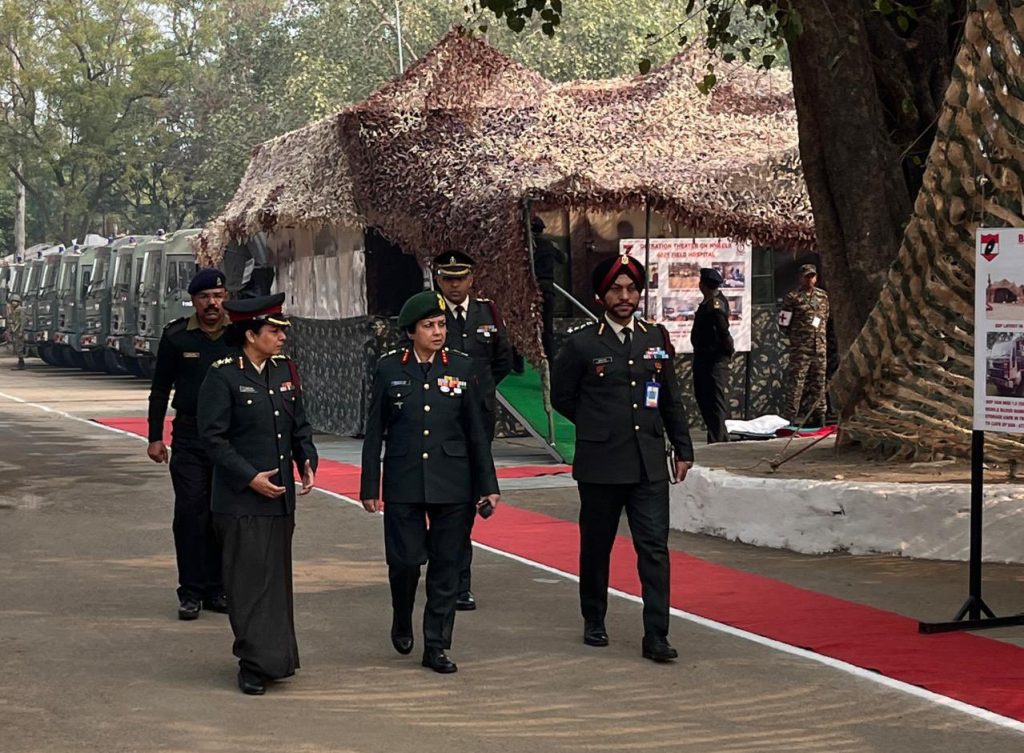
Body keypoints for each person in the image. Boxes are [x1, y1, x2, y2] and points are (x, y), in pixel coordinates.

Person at [552, 253, 694, 663]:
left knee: (654, 549)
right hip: (601, 464)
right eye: (616, 289)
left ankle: (656, 635)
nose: (625, 296)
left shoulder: (655, 337)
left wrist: (683, 449)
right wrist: (596, 424)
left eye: (632, 289)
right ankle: (594, 618)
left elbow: (670, 397)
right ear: (602, 295)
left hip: (647, 461)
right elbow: (562, 396)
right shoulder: (582, 343)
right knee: (597, 547)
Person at [360, 290, 500, 674]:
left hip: (453, 481)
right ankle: (402, 615)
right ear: (411, 331)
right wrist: (370, 484)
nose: (437, 332)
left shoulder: (462, 366)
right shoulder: (390, 369)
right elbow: (375, 431)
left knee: (446, 566)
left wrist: (488, 484)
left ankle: (436, 645)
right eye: (428, 326)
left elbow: (476, 433)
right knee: (405, 562)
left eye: (441, 325)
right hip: (405, 479)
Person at [198, 292, 317, 695]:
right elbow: (212, 439)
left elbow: (299, 425)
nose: (282, 337)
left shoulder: (284, 371)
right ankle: (251, 662)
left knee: (276, 582)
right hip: (240, 501)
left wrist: (307, 460)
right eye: (274, 331)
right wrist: (250, 478)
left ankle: (278, 659)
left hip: (279, 499)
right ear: (250, 335)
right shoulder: (223, 375)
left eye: (282, 331)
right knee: (248, 583)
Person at [146, 268, 235, 620]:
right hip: (189, 435)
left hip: (229, 437)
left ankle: (218, 588)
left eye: (217, 296)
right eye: (204, 297)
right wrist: (154, 436)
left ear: (225, 297)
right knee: (189, 512)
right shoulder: (177, 336)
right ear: (194, 300)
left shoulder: (239, 334)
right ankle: (191, 591)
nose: (212, 303)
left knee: (221, 513)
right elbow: (160, 388)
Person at [432, 250, 512, 612]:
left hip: (477, 420)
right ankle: (444, 572)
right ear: (438, 279)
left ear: (471, 279)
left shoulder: (488, 314)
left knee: (465, 502)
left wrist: (479, 390)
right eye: (447, 278)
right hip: (439, 420)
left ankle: (460, 582)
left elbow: (503, 360)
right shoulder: (428, 316)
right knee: (441, 499)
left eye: (459, 278)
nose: (453, 284)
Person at [779, 264, 830, 426]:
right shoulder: (793, 298)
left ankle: (819, 415)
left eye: (812, 276)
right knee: (796, 383)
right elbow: (783, 322)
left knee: (819, 382)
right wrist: (796, 338)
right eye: (807, 276)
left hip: (819, 347)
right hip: (801, 349)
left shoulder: (823, 296)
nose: (810, 279)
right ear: (800, 277)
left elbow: (825, 317)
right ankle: (790, 417)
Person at [691, 268, 735, 443]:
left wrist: (726, 352)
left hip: (713, 358)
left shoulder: (715, 305)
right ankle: (716, 434)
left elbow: (723, 331)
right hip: (704, 357)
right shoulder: (708, 302)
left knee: (714, 399)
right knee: (704, 397)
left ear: (703, 285)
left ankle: (718, 438)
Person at [531, 216, 568, 361]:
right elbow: (563, 259)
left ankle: (519, 364)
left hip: (530, 289)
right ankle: (550, 361)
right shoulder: (548, 244)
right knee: (547, 328)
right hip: (547, 289)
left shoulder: (525, 246)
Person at [6, 293, 25, 370]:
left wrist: (21, 331)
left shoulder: (20, 309)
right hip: (15, 330)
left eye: (15, 301)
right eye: (12, 301)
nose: (13, 303)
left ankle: (21, 363)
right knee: (17, 347)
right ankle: (20, 362)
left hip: (19, 330)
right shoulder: (13, 310)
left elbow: (22, 321)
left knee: (19, 347)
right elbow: (12, 321)